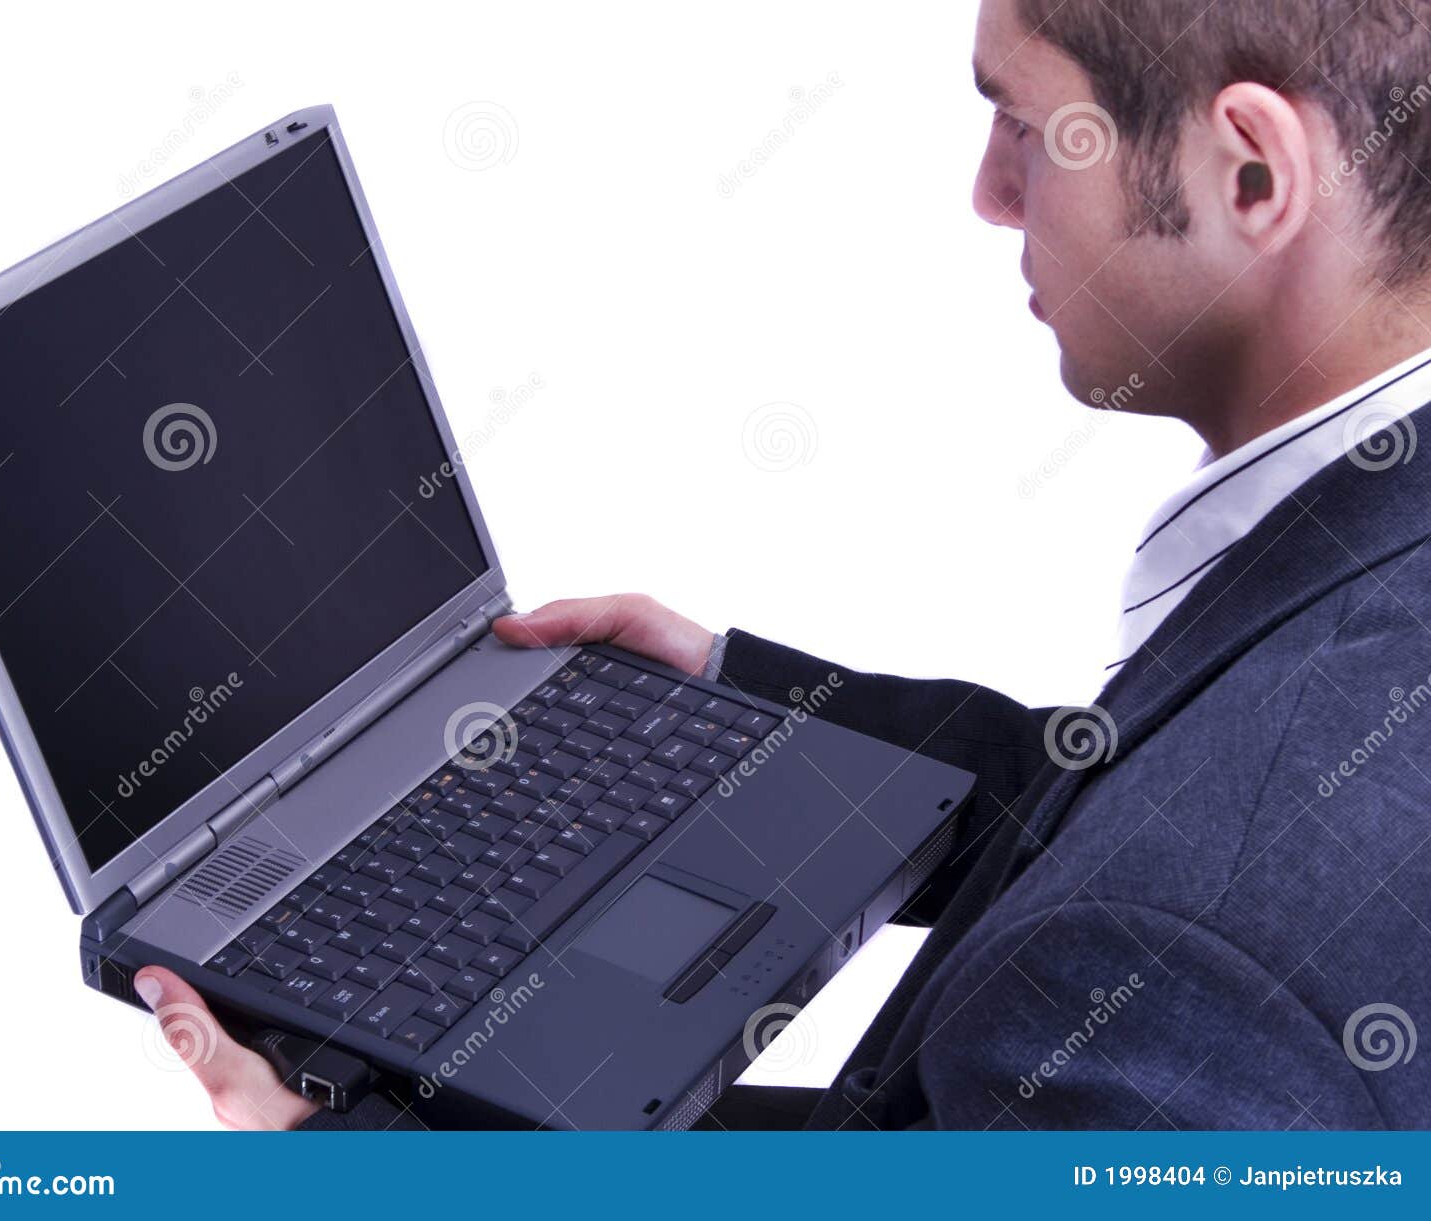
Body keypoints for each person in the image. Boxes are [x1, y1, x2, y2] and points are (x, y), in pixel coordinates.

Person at [135, 0, 1431, 1128]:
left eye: (1028, 127)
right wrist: (748, 703)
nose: (988, 191)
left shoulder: (1209, 965)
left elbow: (1188, 895)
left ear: (1252, 175)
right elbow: (1173, 789)